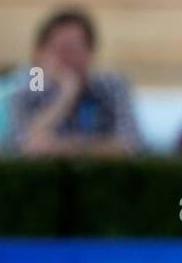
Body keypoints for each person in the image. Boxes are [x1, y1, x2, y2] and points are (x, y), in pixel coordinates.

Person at [10, 8, 143, 155]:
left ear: (90, 52)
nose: (65, 58)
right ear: (41, 53)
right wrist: (66, 95)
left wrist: (61, 146)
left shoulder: (112, 86)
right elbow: (27, 146)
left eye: (72, 49)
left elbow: (129, 144)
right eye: (58, 49)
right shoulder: (27, 93)